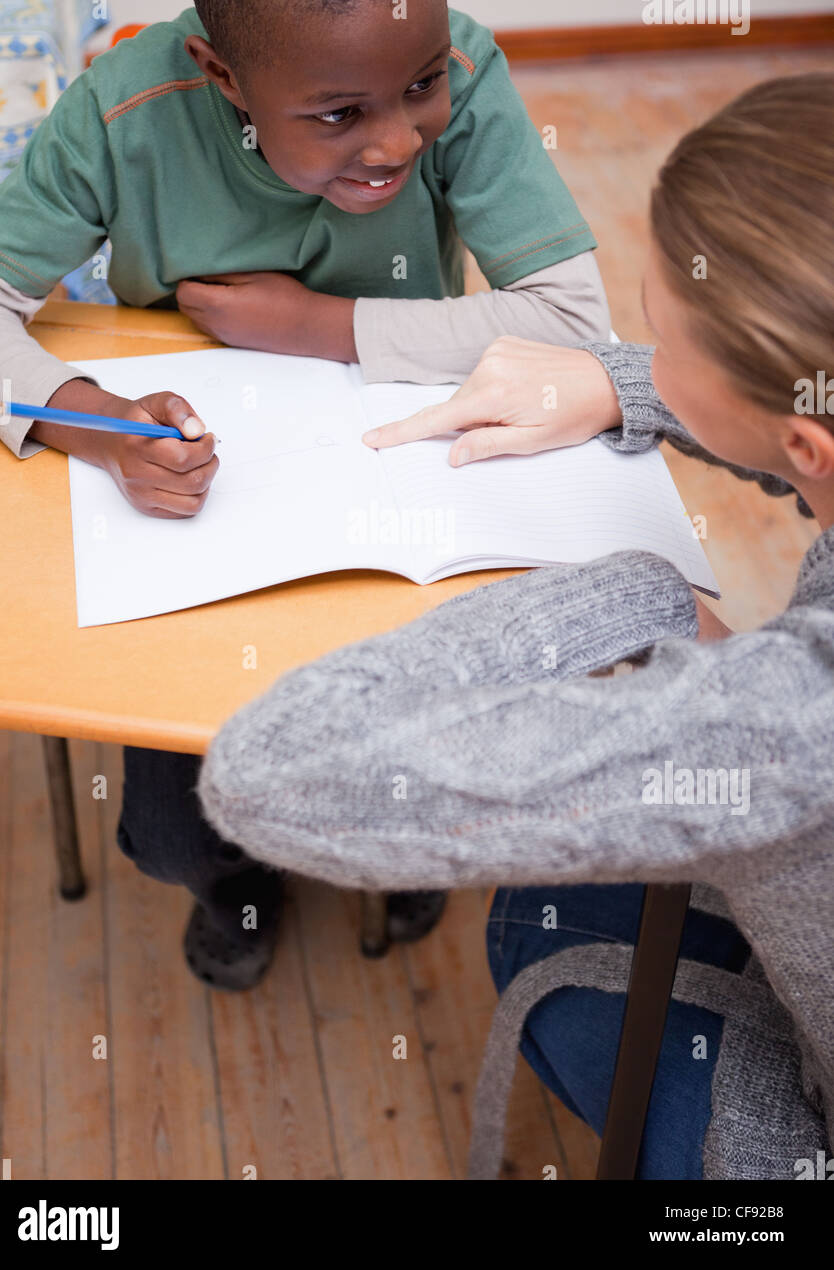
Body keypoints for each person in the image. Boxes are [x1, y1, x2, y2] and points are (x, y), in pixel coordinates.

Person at [0, 0, 610, 989]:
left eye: (416, 90)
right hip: (195, 514)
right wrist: (92, 422)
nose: (396, 139)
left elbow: (573, 323)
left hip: (407, 483)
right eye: (336, 114)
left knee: (413, 767)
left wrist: (322, 326)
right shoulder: (124, 115)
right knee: (176, 827)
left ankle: (386, 855)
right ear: (222, 75)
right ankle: (234, 880)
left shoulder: (461, 65)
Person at [197, 73, 834, 1177]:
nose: (643, 352)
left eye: (659, 336)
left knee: (538, 914)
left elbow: (268, 771)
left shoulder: (781, 726)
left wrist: (627, 591)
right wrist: (618, 382)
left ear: (801, 447)